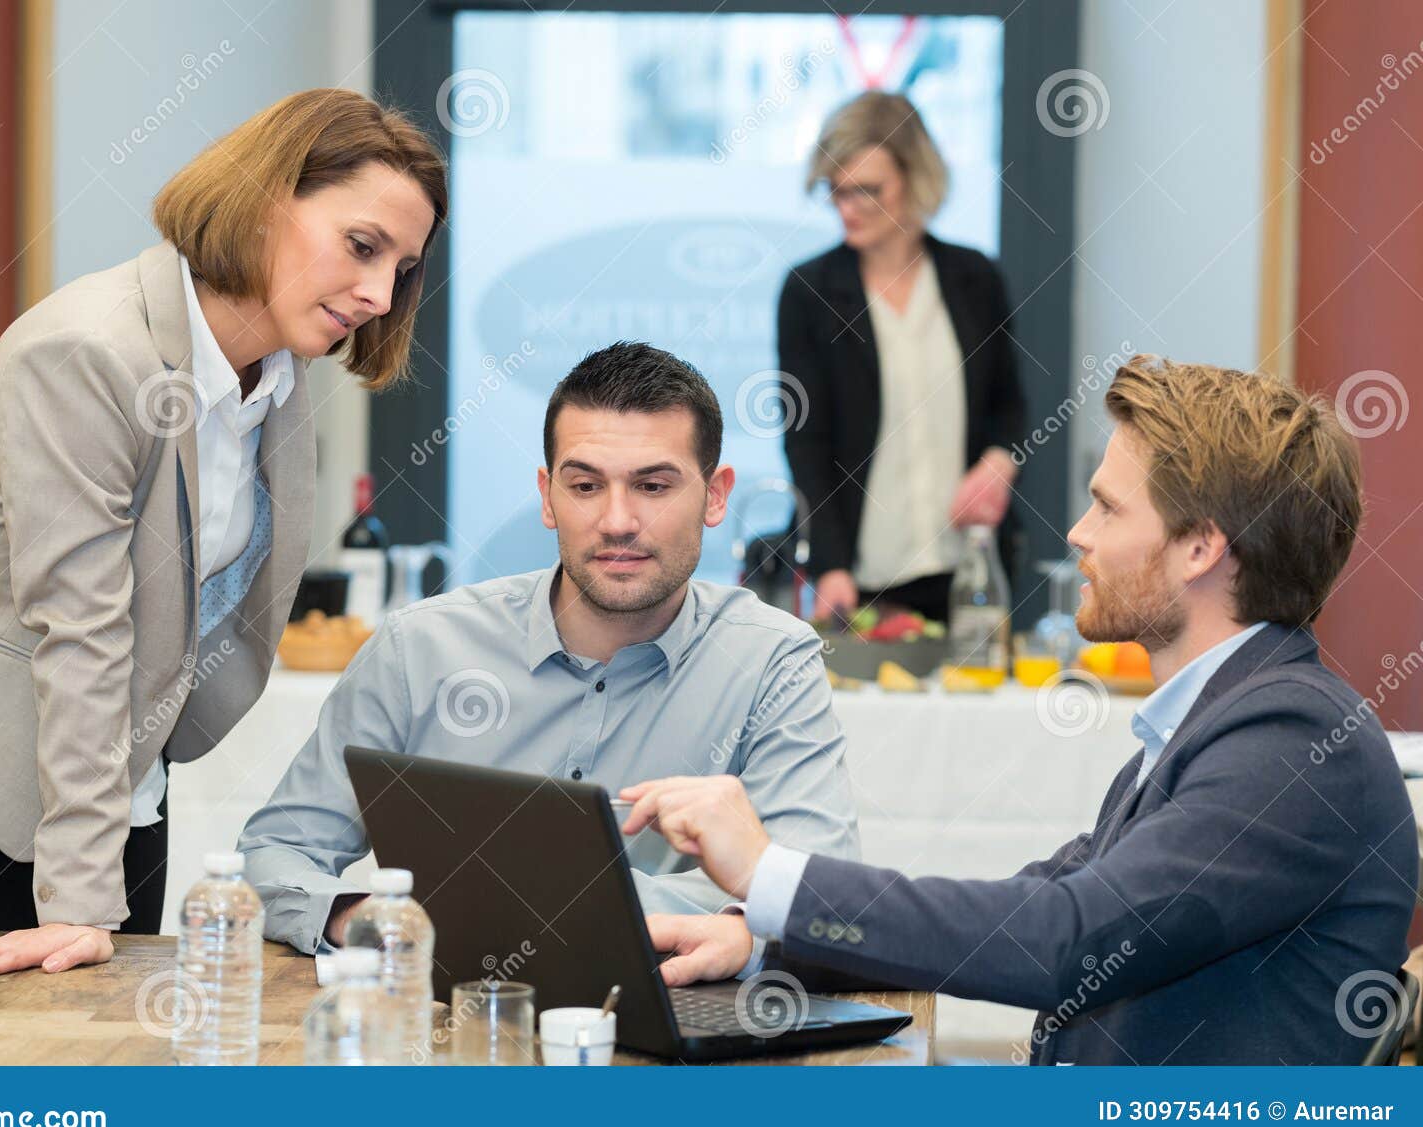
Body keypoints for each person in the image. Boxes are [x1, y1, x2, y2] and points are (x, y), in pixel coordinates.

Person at [624, 356, 1419, 1065]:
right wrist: (762, 942)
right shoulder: (1221, 723)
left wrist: (769, 872)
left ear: (1200, 548)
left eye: (1108, 509)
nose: (1078, 533)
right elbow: (1027, 908)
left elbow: (1069, 938)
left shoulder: (1292, 742)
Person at [0, 89, 447, 979]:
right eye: (362, 246)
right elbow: (83, 633)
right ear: (263, 199)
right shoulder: (88, 354)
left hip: (122, 787)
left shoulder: (276, 377)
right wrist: (81, 902)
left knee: (112, 1052)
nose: (378, 294)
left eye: (402, 269)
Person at [237, 342, 860, 955]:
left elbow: (821, 900)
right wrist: (366, 919)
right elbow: (274, 856)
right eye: (585, 486)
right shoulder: (419, 648)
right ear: (547, 496)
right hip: (449, 1007)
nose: (617, 521)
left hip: (677, 1008)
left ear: (716, 495)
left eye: (652, 486)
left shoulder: (771, 662)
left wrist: (499, 911)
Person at [779, 92, 1027, 623]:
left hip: (968, 573)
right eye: (835, 190)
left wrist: (999, 462)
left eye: (867, 190)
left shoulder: (976, 279)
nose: (846, 208)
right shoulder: (809, 292)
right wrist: (830, 565)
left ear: (917, 179)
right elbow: (806, 443)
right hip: (859, 580)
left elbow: (1008, 406)